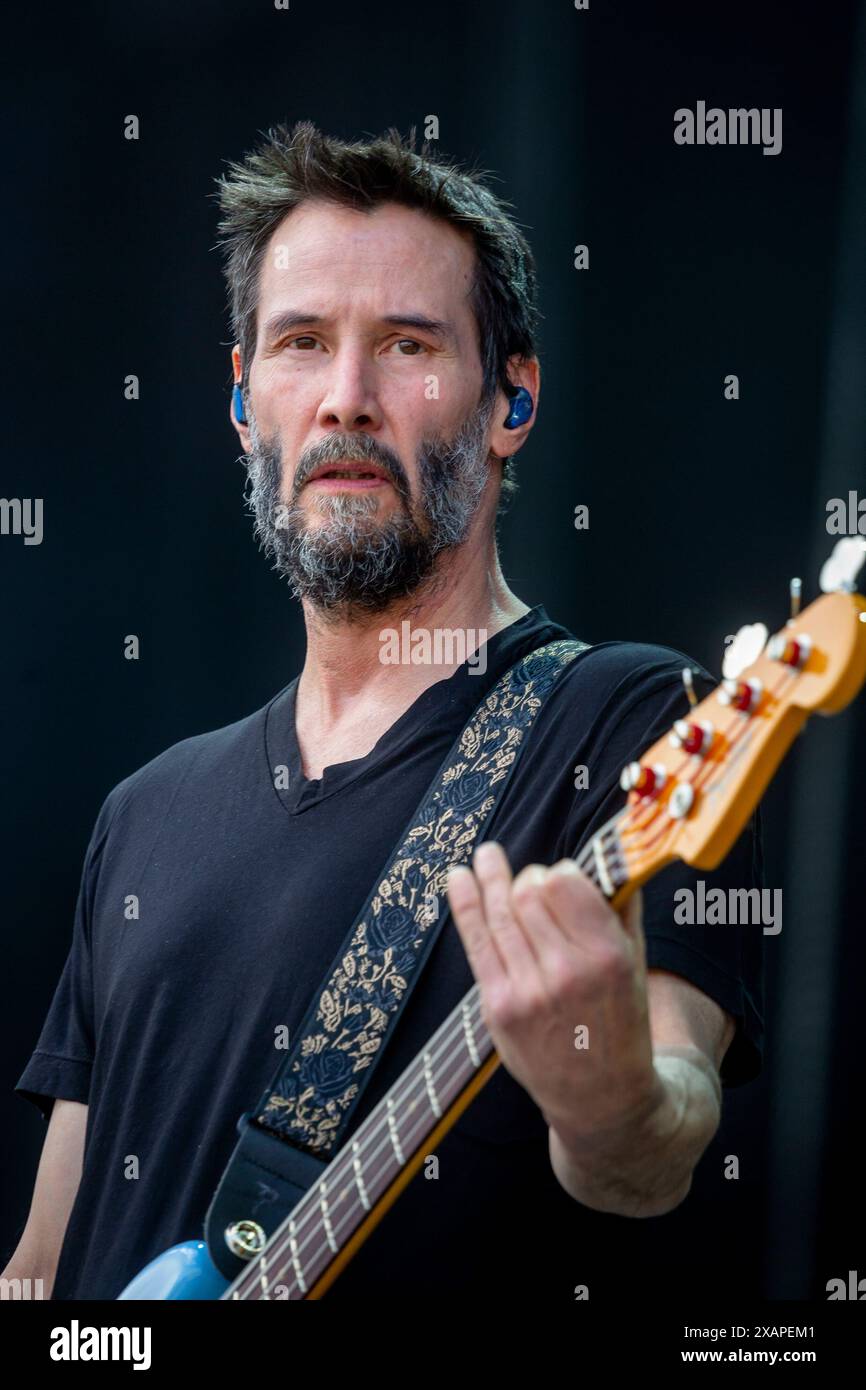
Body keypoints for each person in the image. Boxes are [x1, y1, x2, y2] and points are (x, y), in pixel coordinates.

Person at [4, 121, 763, 1302]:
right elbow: (44, 1271)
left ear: (510, 402)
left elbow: (657, 1148)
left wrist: (606, 1093)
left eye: (406, 345)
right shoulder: (142, 815)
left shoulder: (631, 721)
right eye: (301, 344)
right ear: (246, 402)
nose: (346, 399)